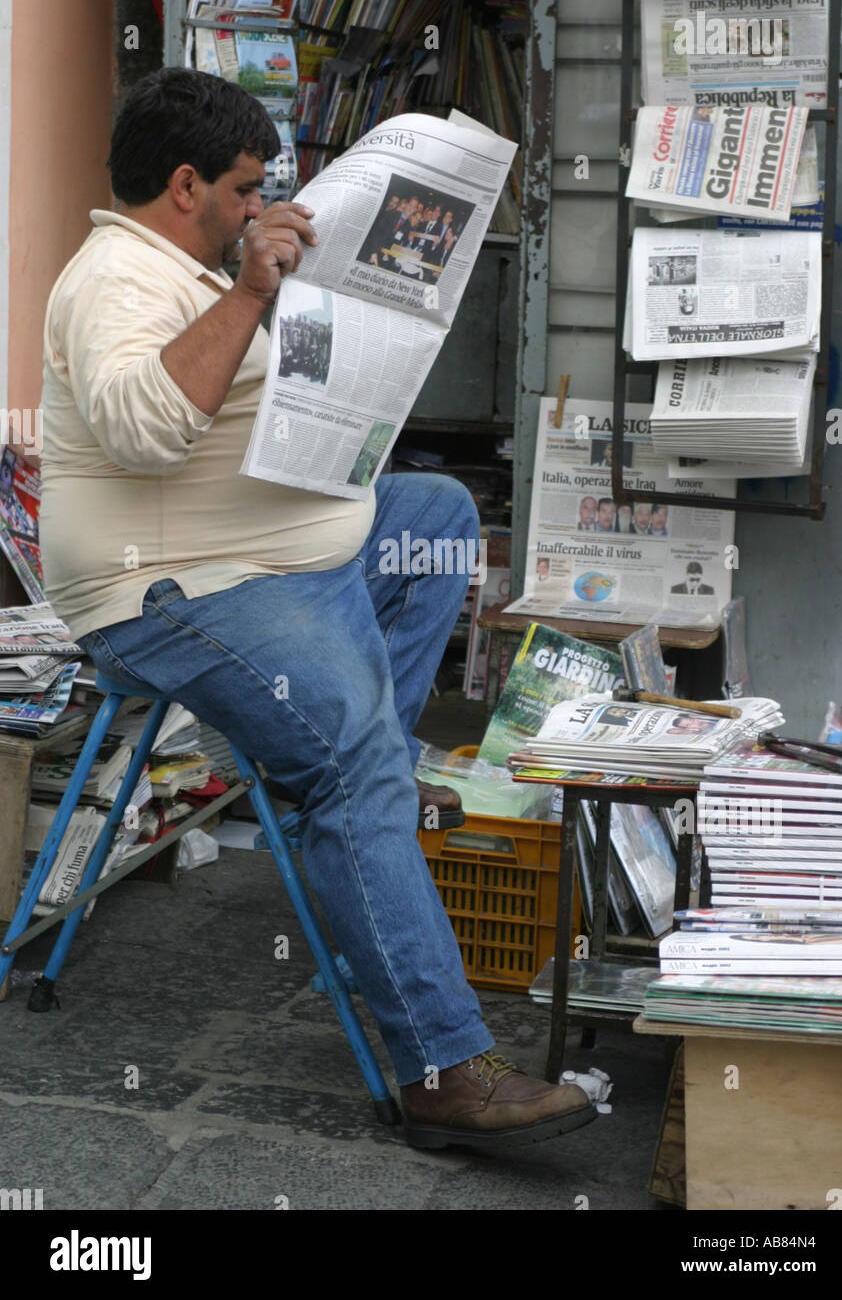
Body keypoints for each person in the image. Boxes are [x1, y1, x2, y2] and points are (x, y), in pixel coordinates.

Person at [39, 68, 595, 1149]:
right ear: (189, 185)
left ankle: (350, 791)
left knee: (434, 513)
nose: (262, 210)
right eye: (249, 191)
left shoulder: (193, 269)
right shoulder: (118, 277)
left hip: (277, 555)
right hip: (176, 586)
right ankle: (443, 1066)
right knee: (353, 763)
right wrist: (252, 294)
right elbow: (144, 432)